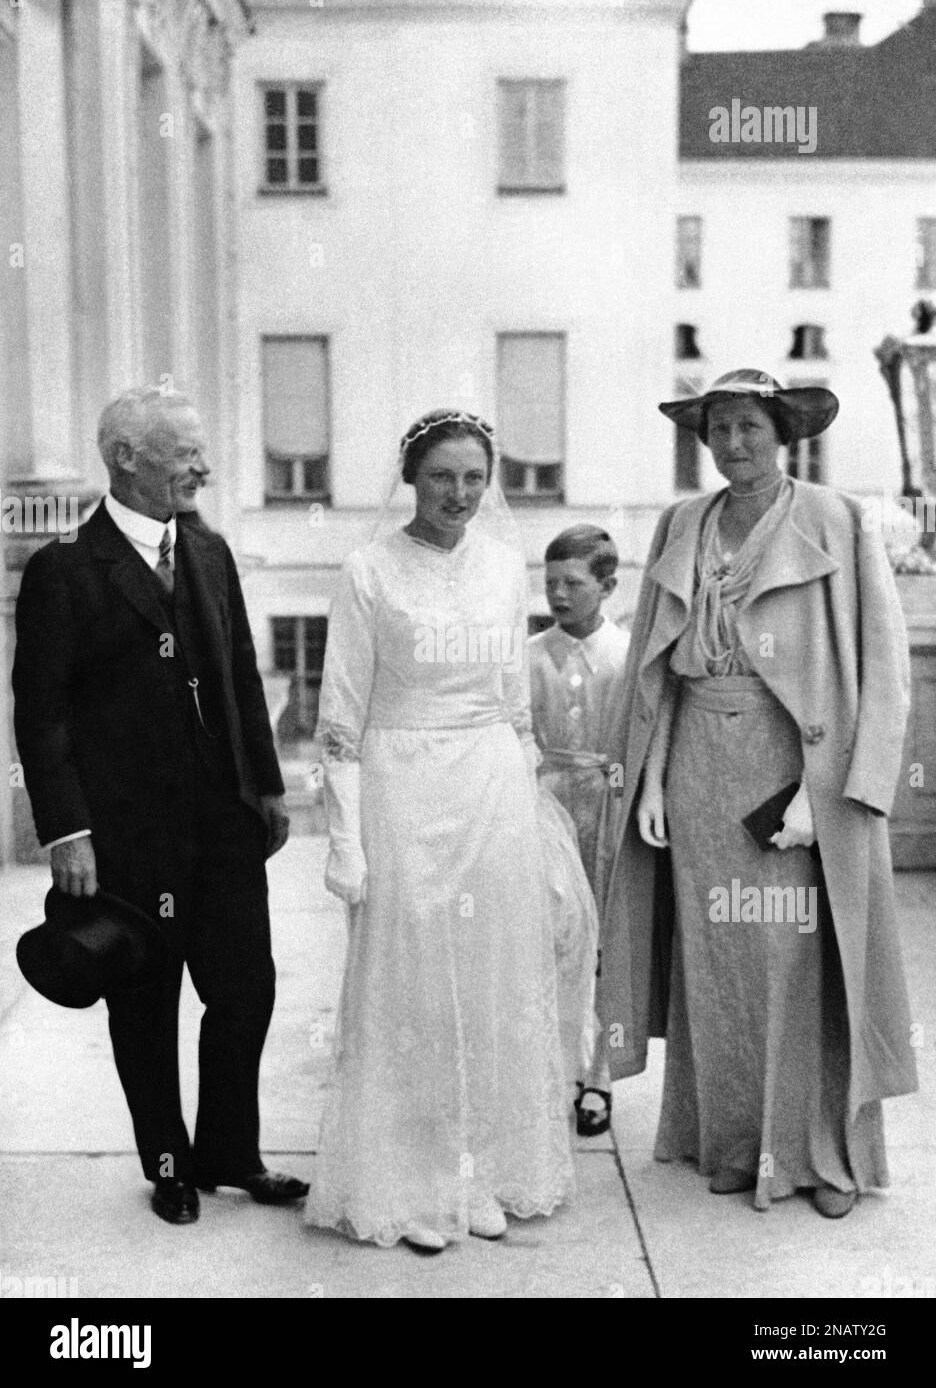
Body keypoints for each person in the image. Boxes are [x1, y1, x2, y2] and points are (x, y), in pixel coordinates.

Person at [600, 369, 918, 1218]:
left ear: (781, 430)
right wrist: (654, 778)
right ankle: (736, 1143)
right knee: (717, 962)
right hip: (700, 766)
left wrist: (836, 793)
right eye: (719, 429)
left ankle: (820, 1157)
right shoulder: (683, 523)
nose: (734, 445)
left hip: (793, 774)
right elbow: (655, 669)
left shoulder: (833, 519)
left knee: (797, 958)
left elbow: (884, 668)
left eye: (749, 427)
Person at [12, 386, 307, 1225]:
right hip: (123, 837)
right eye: (185, 454)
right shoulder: (65, 568)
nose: (204, 469)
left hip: (223, 823)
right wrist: (66, 831)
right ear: (127, 458)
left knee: (246, 988)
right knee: (146, 1006)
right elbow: (41, 713)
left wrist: (269, 785)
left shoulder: (209, 552)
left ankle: (230, 1152)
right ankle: (170, 1165)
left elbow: (243, 675)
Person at [305, 409, 574, 1252]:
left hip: (492, 785)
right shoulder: (367, 571)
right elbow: (340, 716)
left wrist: (530, 807)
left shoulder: (502, 564)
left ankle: (482, 1171)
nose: (458, 495)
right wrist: (345, 840)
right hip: (403, 788)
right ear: (410, 479)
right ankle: (414, 1184)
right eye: (440, 477)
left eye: (472, 478)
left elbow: (515, 701)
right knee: (413, 987)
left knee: (492, 983)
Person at [529, 526, 630, 1137]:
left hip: (608, 800)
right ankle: (545, 1070)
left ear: (608, 586)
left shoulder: (626, 654)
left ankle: (598, 1076)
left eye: (574, 583)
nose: (560, 595)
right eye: (550, 583)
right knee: (546, 933)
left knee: (605, 940)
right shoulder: (530, 652)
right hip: (544, 800)